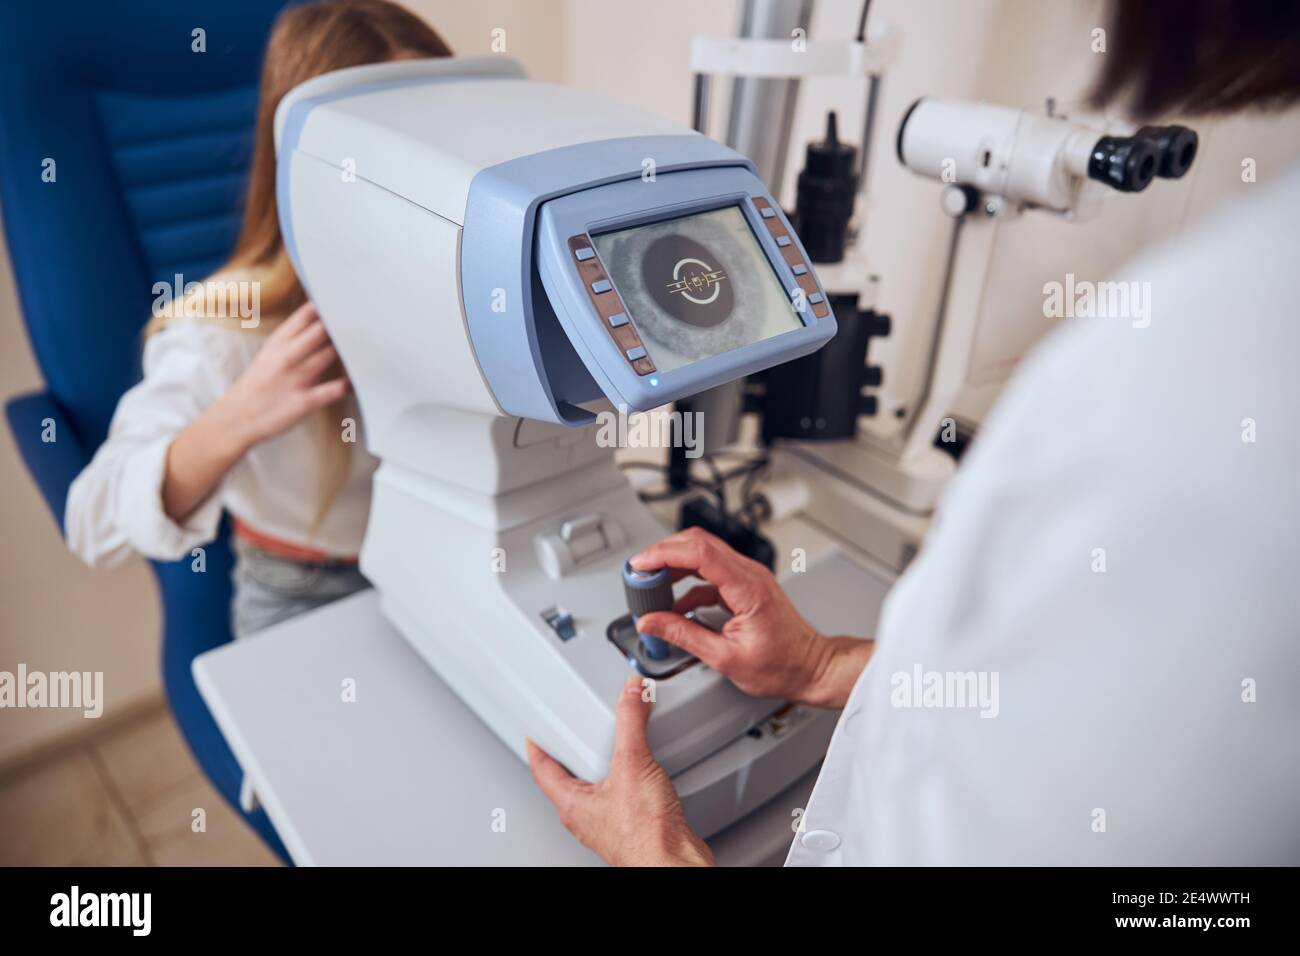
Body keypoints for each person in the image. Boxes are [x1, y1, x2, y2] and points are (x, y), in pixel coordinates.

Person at [527, 0, 1300, 865]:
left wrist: (656, 855)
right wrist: (821, 667)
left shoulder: (1184, 400)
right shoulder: (1227, 327)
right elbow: (1063, 709)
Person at [65, 1, 452, 637]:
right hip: (311, 591)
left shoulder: (452, 284)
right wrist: (239, 414)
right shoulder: (225, 330)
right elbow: (92, 522)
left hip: (446, 568)